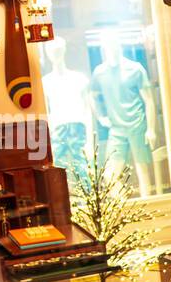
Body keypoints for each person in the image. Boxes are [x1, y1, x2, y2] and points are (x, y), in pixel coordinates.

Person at [89, 27, 158, 195]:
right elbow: (92, 95)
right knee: (109, 175)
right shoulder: (100, 72)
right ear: (103, 47)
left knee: (142, 171)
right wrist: (101, 117)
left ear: (118, 44)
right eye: (107, 43)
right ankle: (121, 207)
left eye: (113, 42)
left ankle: (148, 205)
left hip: (137, 125)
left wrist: (151, 129)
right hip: (116, 129)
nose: (110, 46)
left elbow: (149, 100)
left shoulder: (134, 69)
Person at [40, 36, 94, 176]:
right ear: (47, 54)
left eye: (58, 50)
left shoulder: (79, 79)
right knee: (59, 171)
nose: (55, 54)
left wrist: (90, 140)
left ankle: (87, 191)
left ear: (64, 50)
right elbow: (46, 112)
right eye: (52, 51)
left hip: (78, 127)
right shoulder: (45, 82)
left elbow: (87, 110)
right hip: (57, 130)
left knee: (83, 170)